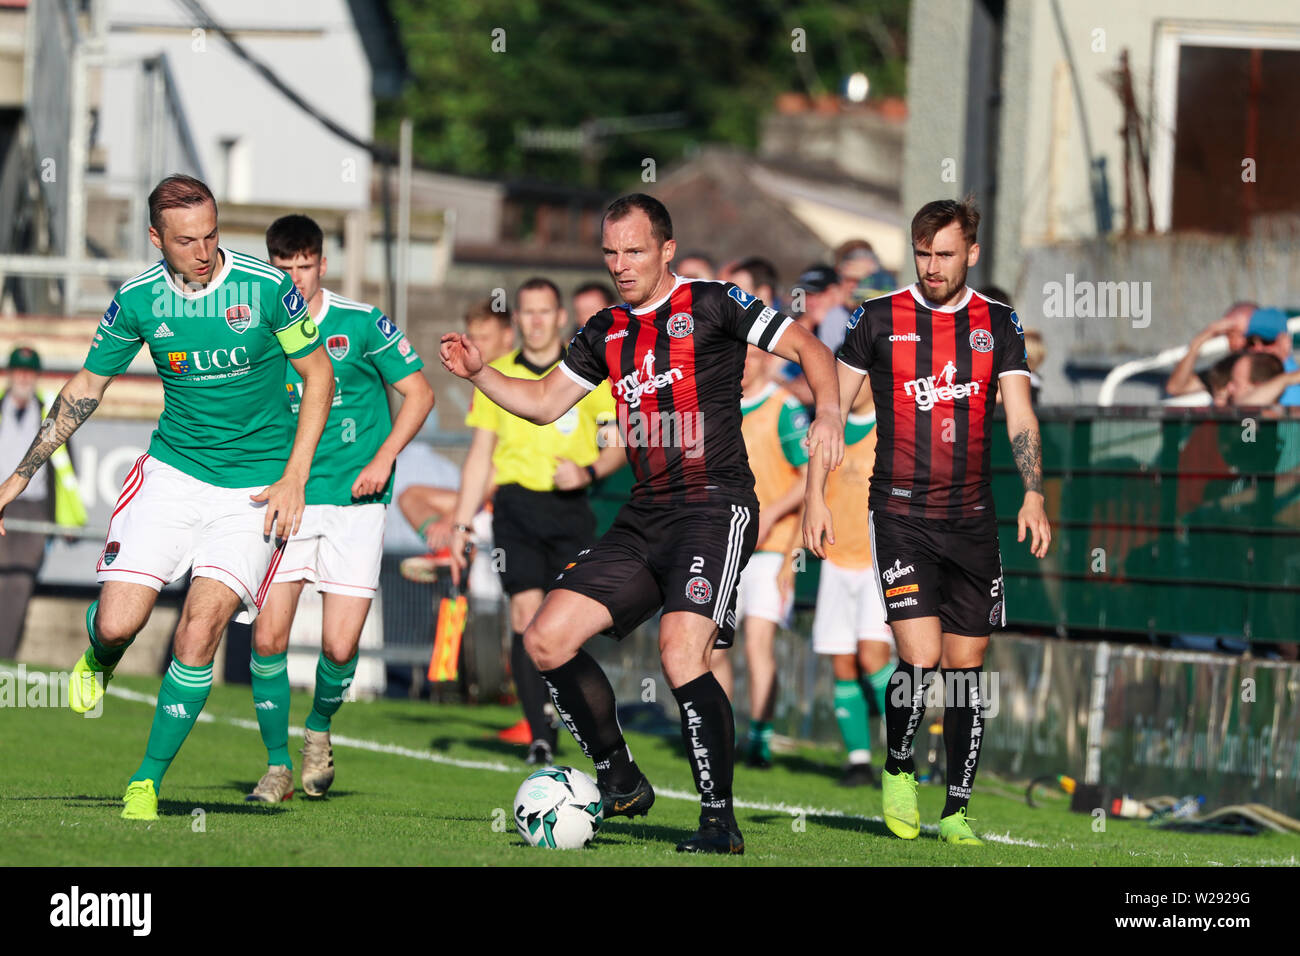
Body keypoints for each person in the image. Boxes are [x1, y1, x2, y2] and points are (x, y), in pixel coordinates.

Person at [439, 193, 844, 854]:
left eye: (634, 251)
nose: (621, 264)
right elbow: (542, 403)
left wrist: (828, 414)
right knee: (545, 640)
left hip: (715, 506)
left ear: (666, 250)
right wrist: (482, 373)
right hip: (645, 512)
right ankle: (618, 775)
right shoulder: (606, 329)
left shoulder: (714, 302)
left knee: (681, 650)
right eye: (611, 252)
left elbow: (808, 347)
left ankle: (719, 821)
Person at [0, 174, 335, 820]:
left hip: (254, 490)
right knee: (121, 621)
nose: (204, 251)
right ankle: (101, 651)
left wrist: (296, 476)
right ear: (156, 238)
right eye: (187, 241)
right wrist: (16, 480)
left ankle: (145, 781)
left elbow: (317, 377)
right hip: (173, 475)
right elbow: (85, 388)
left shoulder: (266, 292)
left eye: (211, 235)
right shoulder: (139, 300)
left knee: (199, 629)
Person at [806, 196, 1050, 846]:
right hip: (901, 513)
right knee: (919, 657)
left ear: (971, 252)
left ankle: (958, 810)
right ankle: (897, 768)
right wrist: (814, 496)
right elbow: (831, 412)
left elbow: (1021, 415)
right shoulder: (878, 318)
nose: (932, 265)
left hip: (973, 518)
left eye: (944, 253)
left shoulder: (998, 324)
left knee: (967, 664)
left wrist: (1034, 492)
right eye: (922, 253)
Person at [243, 214, 435, 802]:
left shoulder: (360, 323)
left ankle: (319, 731)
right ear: (271, 268)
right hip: (290, 499)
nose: (296, 279)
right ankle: (277, 766)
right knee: (268, 639)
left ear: (322, 265)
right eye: (284, 268)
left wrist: (383, 458)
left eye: (305, 266)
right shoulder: (254, 327)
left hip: (357, 505)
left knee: (340, 648)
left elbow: (419, 393)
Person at [440, 277, 623, 765]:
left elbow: (620, 443)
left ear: (561, 317)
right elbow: (480, 456)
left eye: (546, 312)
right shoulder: (495, 374)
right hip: (517, 510)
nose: (537, 321)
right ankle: (540, 735)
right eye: (527, 313)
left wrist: (587, 470)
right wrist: (460, 526)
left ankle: (576, 718)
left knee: (563, 627)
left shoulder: (586, 373)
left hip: (571, 512)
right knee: (523, 617)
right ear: (516, 319)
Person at [786, 378, 892, 787]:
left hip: (876, 565)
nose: (850, 382)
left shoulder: (890, 428)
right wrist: (789, 559)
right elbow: (813, 496)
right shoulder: (829, 428)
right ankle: (859, 760)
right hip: (836, 560)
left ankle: (905, 751)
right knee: (842, 662)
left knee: (872, 658)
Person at [709, 345, 809, 768]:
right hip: (724, 544)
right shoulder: (718, 402)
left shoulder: (785, 408)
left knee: (757, 643)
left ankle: (761, 737)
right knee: (714, 648)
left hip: (770, 549)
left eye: (751, 356)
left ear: (768, 359)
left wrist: (776, 525)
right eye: (739, 355)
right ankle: (720, 736)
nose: (743, 363)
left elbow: (809, 479)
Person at [0, 346, 88, 658]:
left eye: (29, 372)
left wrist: (63, 519)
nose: (23, 378)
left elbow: (65, 469)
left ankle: (4, 656)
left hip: (34, 508)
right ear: (9, 374)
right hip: (0, 503)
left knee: (19, 584)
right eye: (18, 371)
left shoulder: (48, 411)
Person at [1164, 302, 1258, 400]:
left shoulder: (1269, 363)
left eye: (1242, 334)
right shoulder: (1225, 370)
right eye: (1229, 335)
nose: (1236, 342)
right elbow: (1175, 388)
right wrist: (1198, 342)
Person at [783, 264, 843, 404]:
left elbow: (809, 392)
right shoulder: (807, 327)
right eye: (805, 295)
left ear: (836, 293)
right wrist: (801, 327)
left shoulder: (847, 327)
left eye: (818, 294)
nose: (810, 302)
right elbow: (768, 371)